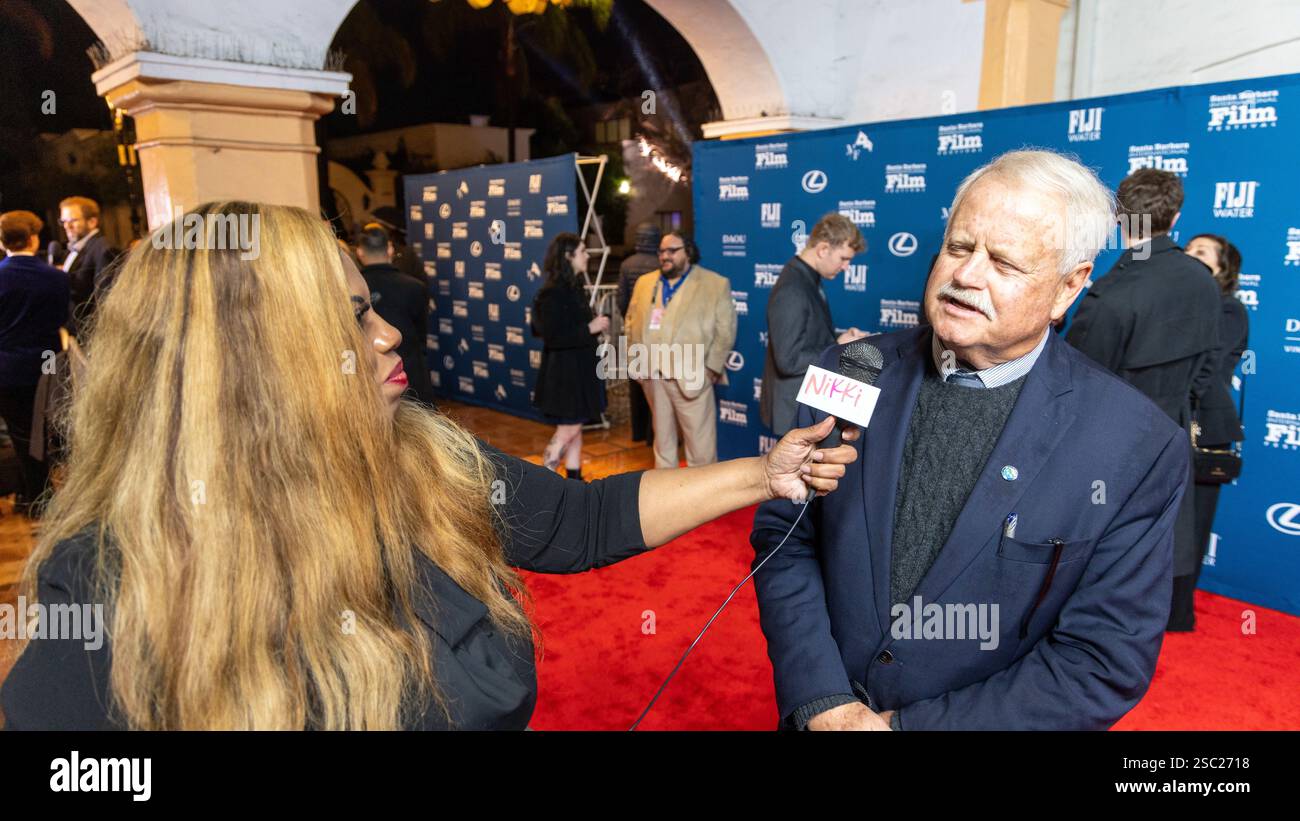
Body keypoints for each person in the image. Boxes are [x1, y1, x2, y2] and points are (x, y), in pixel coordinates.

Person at [0, 202, 860, 730]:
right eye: (352, 319)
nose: (388, 335)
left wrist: (765, 473)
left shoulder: (422, 453)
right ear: (253, 366)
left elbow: (583, 520)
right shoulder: (117, 580)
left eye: (374, 307)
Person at [752, 150, 1189, 731]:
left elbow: (1099, 659)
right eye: (959, 247)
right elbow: (786, 541)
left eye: (1004, 262)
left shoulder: (1135, 443)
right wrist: (821, 699)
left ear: (1068, 288)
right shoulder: (848, 368)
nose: (966, 275)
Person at [1065, 168, 1221, 632]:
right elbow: (1210, 364)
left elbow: (1076, 381)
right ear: (1176, 216)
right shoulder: (1203, 280)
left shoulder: (1114, 293)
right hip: (1172, 429)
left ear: (1119, 219)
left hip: (1108, 445)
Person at [1176, 233, 1249, 631]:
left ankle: (1177, 611)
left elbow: (1206, 365)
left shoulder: (1229, 309)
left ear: (1223, 269)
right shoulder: (1177, 306)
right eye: (1187, 249)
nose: (1190, 256)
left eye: (1201, 253)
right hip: (1171, 418)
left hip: (1203, 427)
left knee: (1193, 522)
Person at [625, 231, 737, 469]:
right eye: (661, 251)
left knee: (701, 450)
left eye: (672, 251)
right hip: (653, 378)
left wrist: (711, 369)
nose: (664, 256)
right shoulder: (645, 283)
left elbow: (725, 331)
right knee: (662, 445)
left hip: (693, 378)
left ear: (688, 252)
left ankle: (703, 493)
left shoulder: (714, 284)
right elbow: (630, 322)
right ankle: (666, 491)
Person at [761, 213, 866, 436]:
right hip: (795, 411)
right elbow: (788, 361)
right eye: (843, 258)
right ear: (823, 249)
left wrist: (840, 339)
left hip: (806, 405)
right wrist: (837, 346)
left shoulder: (807, 277)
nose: (846, 267)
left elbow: (809, 337)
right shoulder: (793, 287)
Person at [0, 211, 70, 517]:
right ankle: (50, 494)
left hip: (7, 367)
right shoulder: (57, 277)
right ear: (33, 239)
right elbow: (62, 318)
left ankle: (36, 496)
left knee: (20, 433)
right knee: (49, 429)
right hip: (47, 362)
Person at [530, 232, 607, 478]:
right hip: (565, 376)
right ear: (568, 256)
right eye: (582, 251)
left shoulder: (574, 288)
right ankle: (545, 482)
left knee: (576, 429)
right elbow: (553, 336)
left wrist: (590, 327)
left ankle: (574, 481)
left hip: (579, 373)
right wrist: (590, 328)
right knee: (568, 430)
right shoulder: (553, 293)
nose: (587, 256)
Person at [355, 223, 437, 407]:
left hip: (370, 381)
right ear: (390, 249)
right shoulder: (415, 287)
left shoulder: (347, 290)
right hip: (413, 378)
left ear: (359, 252)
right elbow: (421, 336)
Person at [616, 223, 662, 444]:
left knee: (636, 383)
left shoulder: (627, 264)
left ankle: (637, 432)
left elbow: (621, 300)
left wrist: (632, 320)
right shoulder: (660, 265)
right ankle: (653, 436)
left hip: (634, 332)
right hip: (657, 333)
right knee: (656, 386)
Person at [55, 196, 118, 335]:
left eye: (73, 220)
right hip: (74, 331)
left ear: (92, 222)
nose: (66, 226)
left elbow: (105, 297)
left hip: (91, 334)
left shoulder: (103, 249)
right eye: (63, 221)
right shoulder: (75, 248)